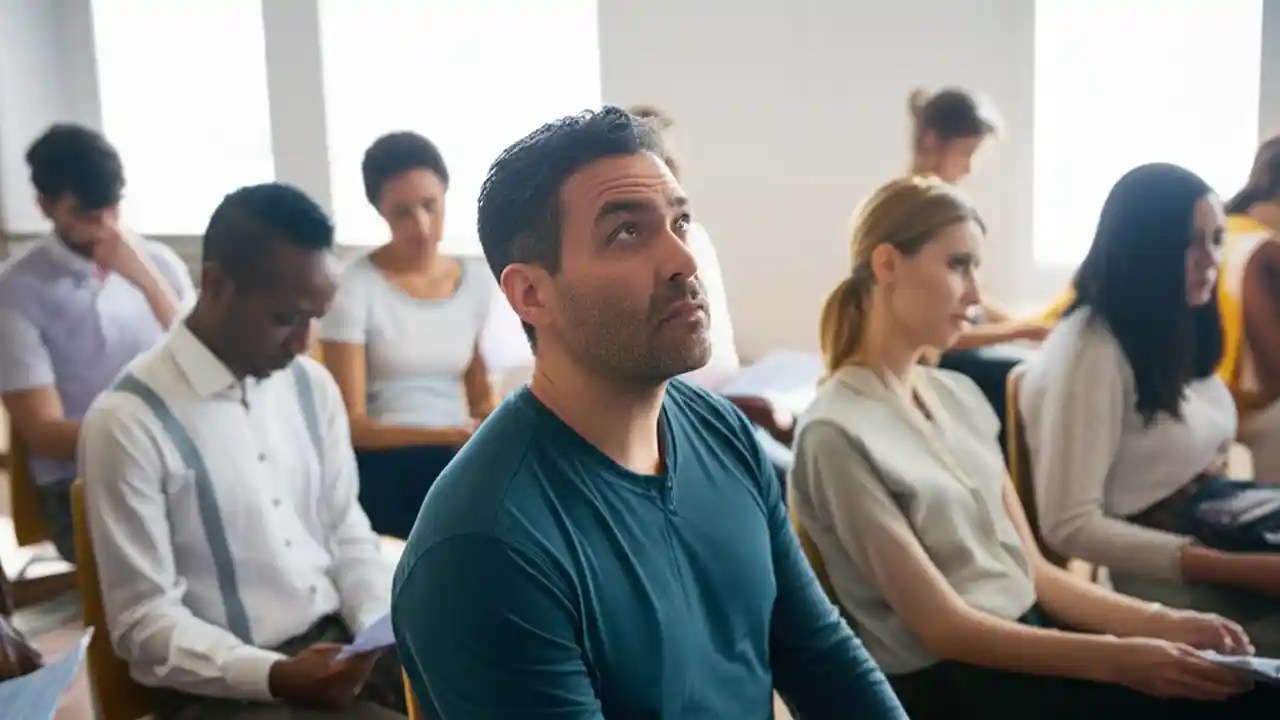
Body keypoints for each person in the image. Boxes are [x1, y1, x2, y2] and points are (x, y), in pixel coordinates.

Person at [391, 107, 905, 719]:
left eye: (680, 222)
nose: (684, 261)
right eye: (627, 233)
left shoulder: (722, 432)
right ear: (531, 294)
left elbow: (821, 655)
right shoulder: (485, 547)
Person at [792, 175, 1273, 718]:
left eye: (976, 268)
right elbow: (945, 629)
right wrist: (1122, 660)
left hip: (1025, 648)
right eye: (958, 265)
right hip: (954, 687)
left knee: (1244, 690)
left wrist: (1166, 623)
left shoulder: (958, 396)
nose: (976, 295)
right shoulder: (835, 433)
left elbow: (1038, 576)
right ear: (886, 265)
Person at [80, 183, 404, 719]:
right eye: (286, 318)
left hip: (334, 644)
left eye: (314, 318)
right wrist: (275, 675)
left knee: (491, 682)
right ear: (216, 286)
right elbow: (144, 623)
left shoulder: (310, 386)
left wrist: (375, 627)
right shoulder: (128, 421)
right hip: (216, 688)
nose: (303, 342)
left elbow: (347, 531)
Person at [1020, 163, 1280, 656]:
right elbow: (1068, 524)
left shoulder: (1176, 323)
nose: (1210, 260)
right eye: (1190, 242)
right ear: (1145, 249)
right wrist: (1222, 565)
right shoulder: (1091, 350)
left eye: (1216, 239)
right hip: (1166, 564)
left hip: (1217, 520)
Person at [0, 124, 193, 562]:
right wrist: (155, 434)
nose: (106, 227)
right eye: (87, 216)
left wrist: (144, 279)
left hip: (179, 466)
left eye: (112, 210)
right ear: (46, 206)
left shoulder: (157, 262)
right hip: (82, 485)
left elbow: (210, 361)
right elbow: (46, 435)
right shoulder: (15, 291)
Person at [321, 132, 496, 538]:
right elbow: (351, 424)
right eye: (402, 213)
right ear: (380, 212)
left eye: (430, 206)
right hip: (387, 458)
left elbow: (482, 397)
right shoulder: (353, 286)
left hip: (458, 450)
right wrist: (447, 435)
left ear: (446, 197)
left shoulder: (476, 282)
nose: (421, 225)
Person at [628, 104, 794, 475]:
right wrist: (744, 406)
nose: (674, 169)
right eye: (663, 159)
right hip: (701, 416)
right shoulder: (642, 262)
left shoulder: (696, 238)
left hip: (726, 404)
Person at [907, 89, 1050, 428]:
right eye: (965, 152)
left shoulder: (946, 207)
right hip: (932, 360)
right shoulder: (915, 216)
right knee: (1025, 378)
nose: (970, 166)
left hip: (950, 350)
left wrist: (1028, 328)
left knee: (1034, 366)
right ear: (932, 142)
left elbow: (976, 302)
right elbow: (940, 333)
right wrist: (1023, 330)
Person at [1218, 136, 1280, 477]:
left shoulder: (1223, 229)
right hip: (1243, 413)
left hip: (1208, 403)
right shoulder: (1264, 250)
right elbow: (1274, 370)